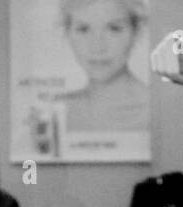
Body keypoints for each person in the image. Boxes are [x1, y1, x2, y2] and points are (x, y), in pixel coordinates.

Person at [56, 0, 150, 132]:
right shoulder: (58, 111)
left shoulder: (157, 111)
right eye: (83, 29)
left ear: (136, 32)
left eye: (114, 28)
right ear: (67, 33)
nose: (97, 47)